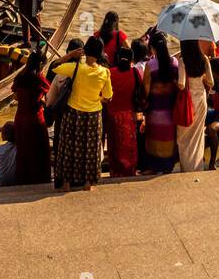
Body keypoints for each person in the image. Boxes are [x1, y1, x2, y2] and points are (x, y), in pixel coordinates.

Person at [50, 36, 112, 192]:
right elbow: (108, 96)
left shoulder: (75, 67)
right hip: (93, 115)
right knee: (90, 151)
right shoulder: (105, 72)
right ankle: (87, 184)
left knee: (68, 149)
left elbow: (53, 67)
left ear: (85, 51)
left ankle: (66, 184)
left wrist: (70, 56)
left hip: (73, 113)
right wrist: (97, 98)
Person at [10, 48, 52, 184]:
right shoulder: (39, 78)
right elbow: (49, 97)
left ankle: (24, 180)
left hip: (20, 119)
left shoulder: (20, 76)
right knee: (39, 151)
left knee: (23, 152)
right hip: (35, 120)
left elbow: (15, 96)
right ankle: (39, 180)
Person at [141, 30, 179, 174]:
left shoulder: (150, 65)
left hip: (155, 110)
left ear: (152, 48)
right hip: (170, 110)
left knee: (154, 139)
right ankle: (167, 167)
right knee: (168, 139)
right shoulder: (174, 62)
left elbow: (146, 89)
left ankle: (154, 167)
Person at [175, 38, 214, 172]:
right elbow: (211, 82)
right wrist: (201, 78)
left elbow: (181, 84)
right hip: (201, 100)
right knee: (197, 136)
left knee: (184, 137)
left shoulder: (183, 60)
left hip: (188, 102)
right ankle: (197, 167)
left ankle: (186, 168)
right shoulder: (204, 59)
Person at [103, 45, 141, 177]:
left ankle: (115, 172)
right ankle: (129, 171)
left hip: (112, 115)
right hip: (129, 115)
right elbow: (141, 92)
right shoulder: (135, 73)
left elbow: (104, 93)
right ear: (132, 60)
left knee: (114, 145)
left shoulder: (109, 72)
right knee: (129, 146)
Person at [0, 122, 19, 186]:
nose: (1, 133)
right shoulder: (21, 147)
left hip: (2, 182)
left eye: (3, 132)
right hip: (18, 180)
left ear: (5, 135)